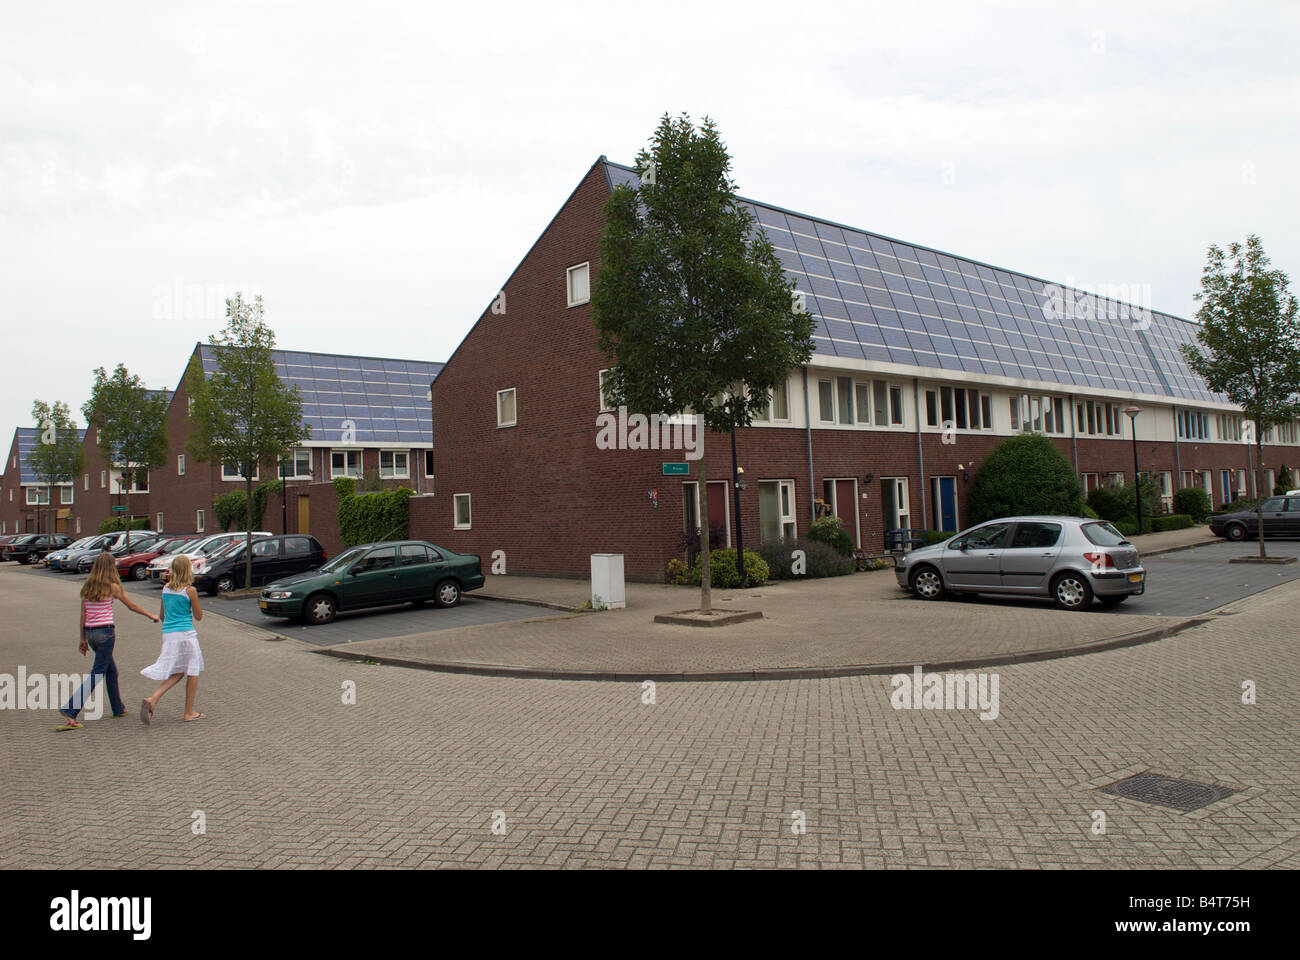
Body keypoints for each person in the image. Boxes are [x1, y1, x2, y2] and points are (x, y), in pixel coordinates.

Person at [56, 551, 160, 731]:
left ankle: (118, 708)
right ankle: (70, 710)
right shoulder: (112, 587)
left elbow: (83, 614)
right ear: (111, 568)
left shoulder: (87, 586)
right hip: (106, 634)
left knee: (111, 671)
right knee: (97, 673)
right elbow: (131, 605)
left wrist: (82, 638)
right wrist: (150, 614)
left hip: (90, 634)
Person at [140, 554, 206, 724]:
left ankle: (153, 698)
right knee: (193, 671)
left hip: (168, 633)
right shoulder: (190, 590)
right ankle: (189, 712)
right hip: (186, 634)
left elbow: (162, 615)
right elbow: (199, 616)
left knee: (178, 671)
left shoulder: (166, 589)